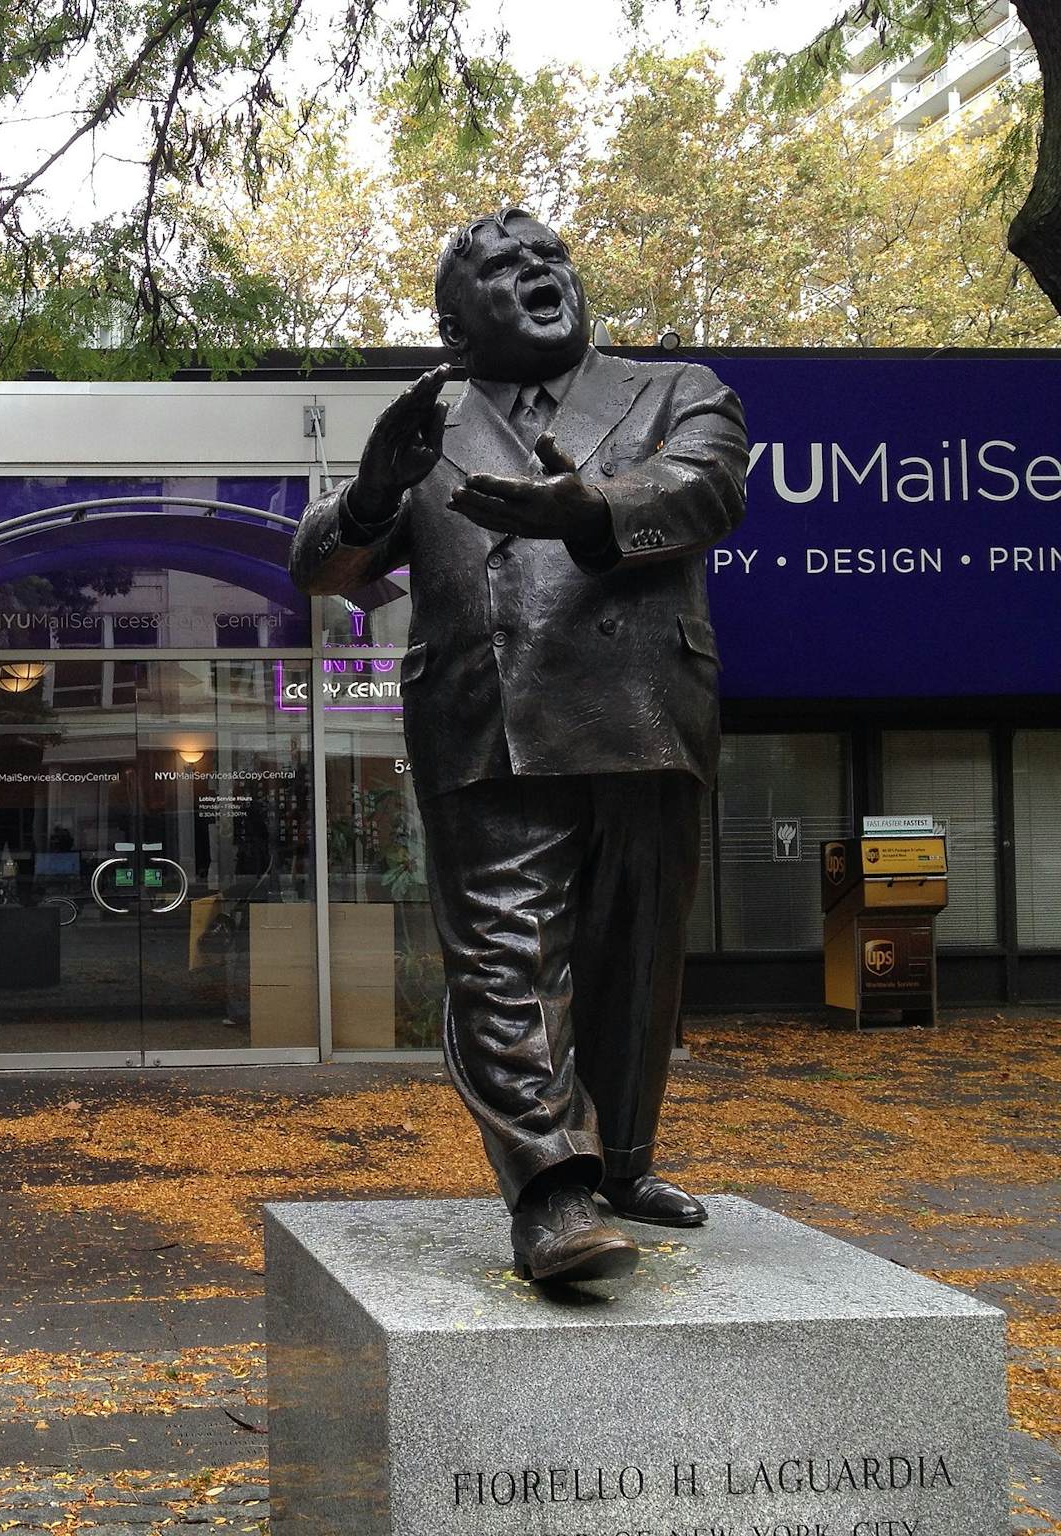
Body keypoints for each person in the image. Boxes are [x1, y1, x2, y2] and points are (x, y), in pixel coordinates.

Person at [290, 208, 749, 1284]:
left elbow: (705, 488)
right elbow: (319, 570)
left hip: (642, 708)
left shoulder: (671, 390)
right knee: (501, 966)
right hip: (481, 723)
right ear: (455, 327)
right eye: (502, 268)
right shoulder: (426, 426)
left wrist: (587, 505)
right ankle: (550, 1193)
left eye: (546, 257)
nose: (537, 272)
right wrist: (369, 493)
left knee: (634, 959)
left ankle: (622, 1163)